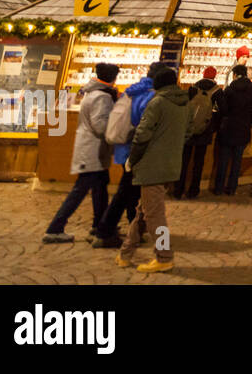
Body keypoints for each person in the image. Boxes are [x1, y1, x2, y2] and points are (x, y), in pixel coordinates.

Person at [116, 67, 187, 273]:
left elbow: (142, 135)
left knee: (156, 217)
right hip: (170, 165)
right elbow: (188, 131)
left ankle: (164, 256)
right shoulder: (183, 103)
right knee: (143, 212)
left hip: (152, 167)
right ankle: (126, 253)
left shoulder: (157, 103)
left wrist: (133, 159)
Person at [44, 63, 119, 243]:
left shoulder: (92, 93)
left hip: (92, 150)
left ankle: (100, 225)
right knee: (80, 190)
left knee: (100, 187)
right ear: (112, 78)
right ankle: (55, 228)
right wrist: (116, 126)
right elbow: (100, 125)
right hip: (93, 151)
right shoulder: (102, 97)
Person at [93, 61, 164, 248]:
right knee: (126, 194)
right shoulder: (151, 97)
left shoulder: (131, 91)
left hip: (124, 149)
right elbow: (145, 127)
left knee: (131, 193)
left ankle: (135, 231)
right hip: (136, 152)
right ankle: (104, 231)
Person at [211, 63, 252, 195]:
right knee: (237, 161)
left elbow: (223, 110)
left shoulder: (229, 89)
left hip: (228, 128)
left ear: (234, 75)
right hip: (243, 128)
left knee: (223, 160)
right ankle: (232, 188)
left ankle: (218, 188)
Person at [173, 66, 219, 199]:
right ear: (214, 76)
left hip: (188, 130)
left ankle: (178, 189)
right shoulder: (217, 91)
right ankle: (194, 190)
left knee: (184, 161)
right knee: (199, 163)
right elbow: (223, 109)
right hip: (204, 132)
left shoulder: (193, 88)